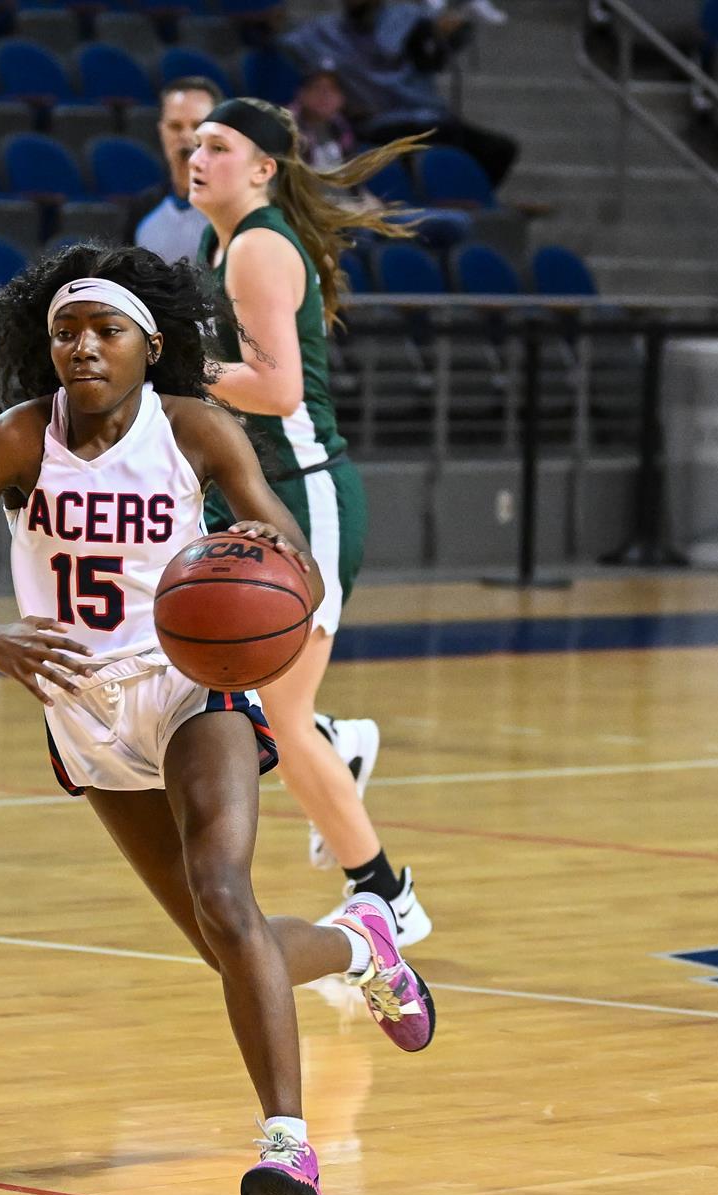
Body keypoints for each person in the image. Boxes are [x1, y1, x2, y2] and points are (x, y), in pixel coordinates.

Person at [0, 243, 435, 1195]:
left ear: (149, 346)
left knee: (225, 898)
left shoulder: (193, 430)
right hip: (83, 709)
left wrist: (255, 580)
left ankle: (288, 1150)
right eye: (65, 332)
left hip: (193, 688)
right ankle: (363, 944)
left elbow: (292, 558)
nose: (82, 347)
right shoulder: (14, 441)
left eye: (105, 331)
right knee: (223, 947)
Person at [188, 97, 432, 944]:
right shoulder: (216, 245)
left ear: (262, 169)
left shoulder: (257, 246)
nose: (196, 153)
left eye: (218, 145)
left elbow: (278, 390)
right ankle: (337, 739)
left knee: (276, 724)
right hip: (246, 492)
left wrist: (172, 366)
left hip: (302, 495)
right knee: (237, 697)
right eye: (193, 142)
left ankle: (388, 895)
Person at [283, 0, 517, 190]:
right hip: (378, 120)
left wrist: (445, 32)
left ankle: (472, 199)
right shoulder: (324, 34)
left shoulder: (405, 21)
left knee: (499, 150)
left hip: (424, 114)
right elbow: (282, 43)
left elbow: (435, 47)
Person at [128, 76, 218, 265]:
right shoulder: (143, 209)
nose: (186, 136)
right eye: (175, 126)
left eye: (197, 125)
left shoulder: (236, 208)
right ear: (161, 131)